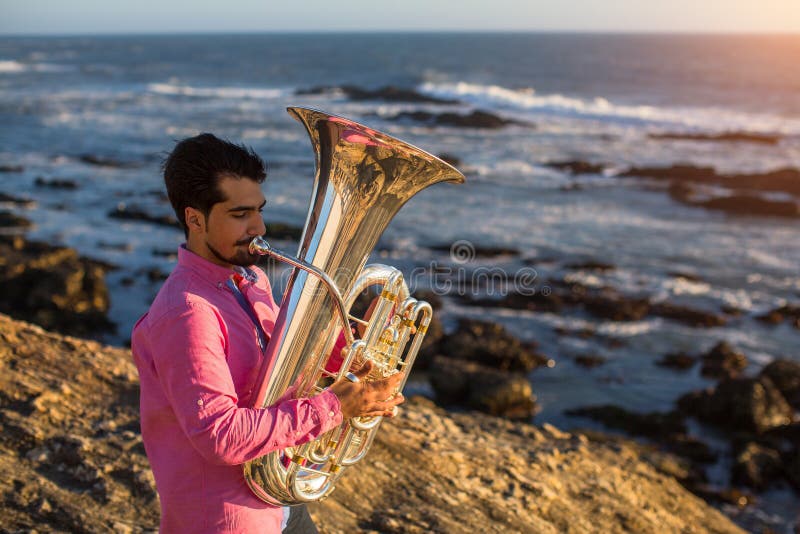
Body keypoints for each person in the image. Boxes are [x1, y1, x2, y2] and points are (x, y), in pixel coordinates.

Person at [131, 133, 405, 533]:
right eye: (240, 214)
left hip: (278, 499)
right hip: (231, 521)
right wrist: (335, 408)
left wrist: (356, 358)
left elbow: (288, 355)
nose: (258, 226)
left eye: (259, 210)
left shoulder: (251, 277)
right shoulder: (188, 313)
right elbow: (220, 435)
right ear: (195, 218)